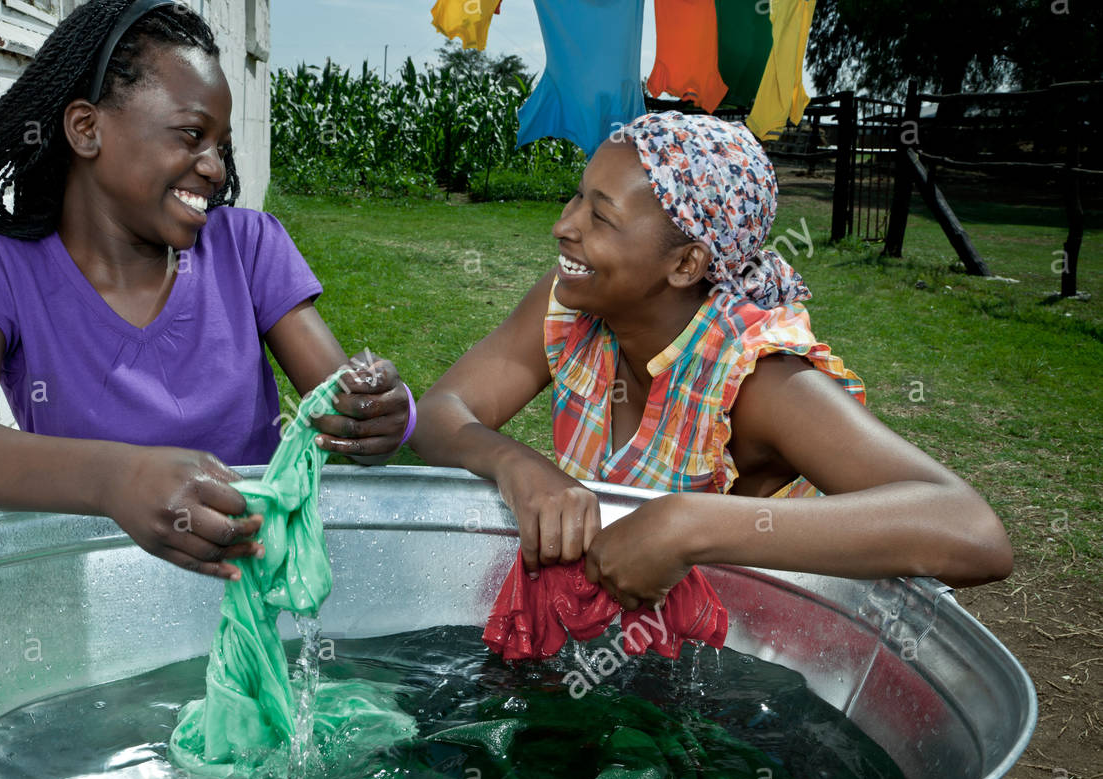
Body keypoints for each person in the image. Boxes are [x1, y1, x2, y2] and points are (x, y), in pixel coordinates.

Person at [410, 111, 1012, 609]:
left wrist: (689, 527)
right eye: (576, 196)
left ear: (685, 265)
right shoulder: (569, 309)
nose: (562, 226)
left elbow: (971, 531)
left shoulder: (758, 381)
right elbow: (439, 411)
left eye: (600, 215)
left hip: (751, 658)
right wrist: (518, 466)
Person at [0, 0, 415, 583]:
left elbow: (338, 407)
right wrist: (117, 480)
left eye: (219, 144)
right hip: (99, 603)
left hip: (255, 584)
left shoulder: (246, 247)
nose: (216, 167)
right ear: (86, 129)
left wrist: (377, 417)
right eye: (191, 134)